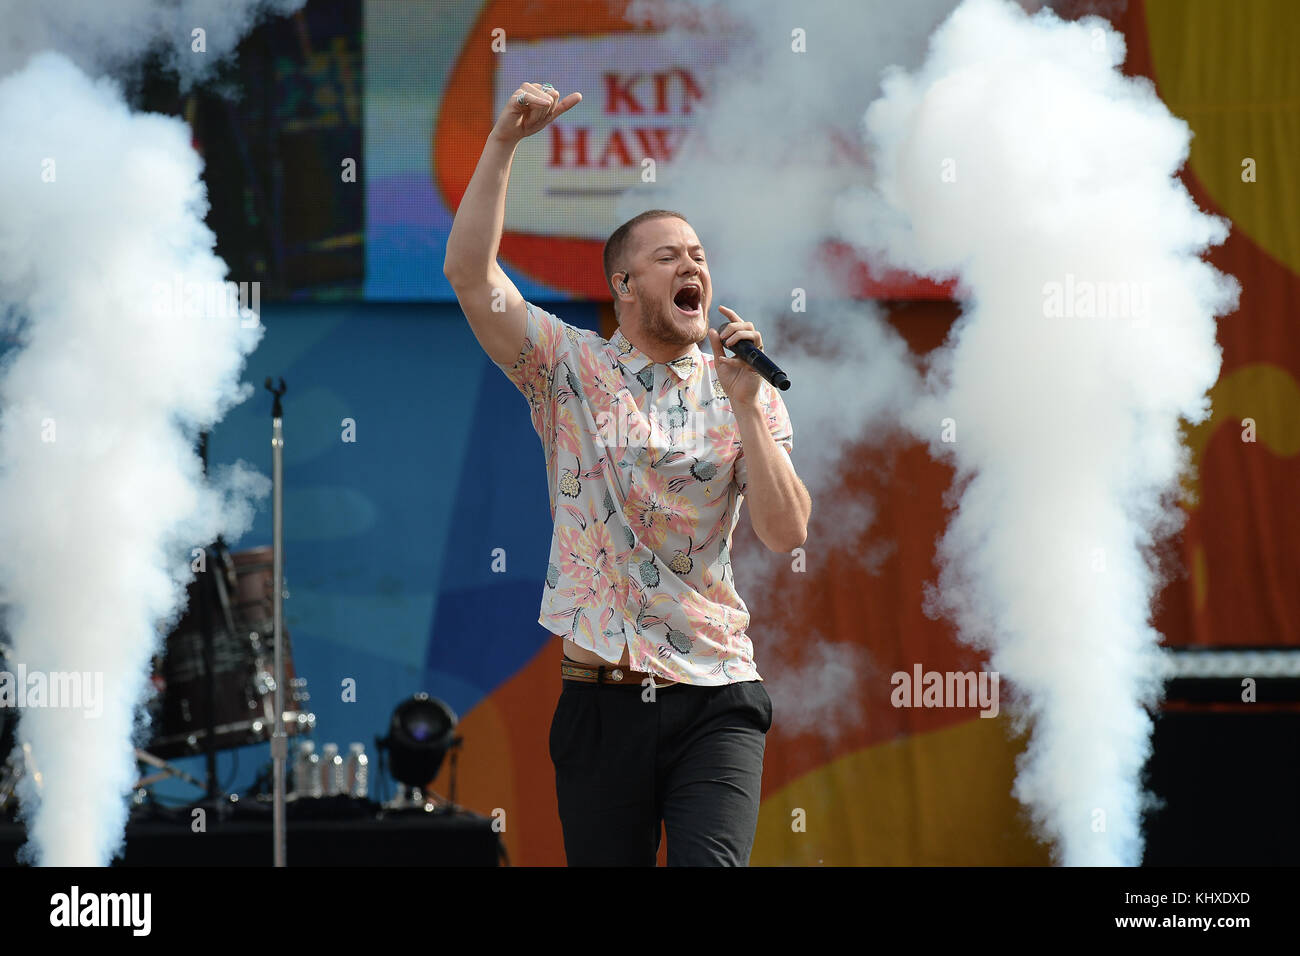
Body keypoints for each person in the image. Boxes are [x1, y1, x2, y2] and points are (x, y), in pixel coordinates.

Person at [444, 82, 811, 866]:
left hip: (717, 693)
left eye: (701, 257)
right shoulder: (568, 367)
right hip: (600, 700)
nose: (693, 267)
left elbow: (786, 532)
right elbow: (472, 276)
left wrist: (748, 407)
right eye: (669, 256)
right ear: (624, 285)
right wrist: (504, 143)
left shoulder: (739, 388)